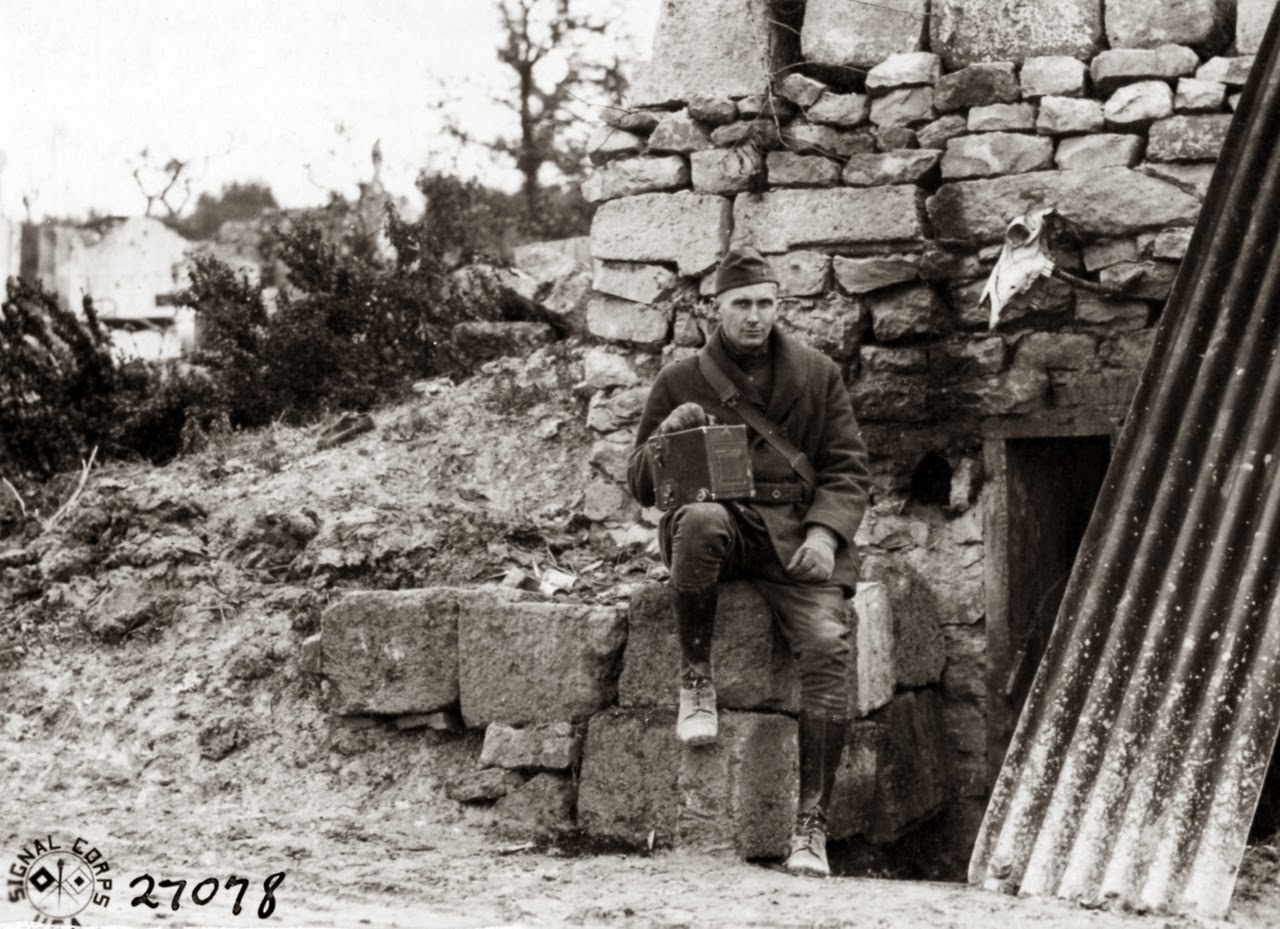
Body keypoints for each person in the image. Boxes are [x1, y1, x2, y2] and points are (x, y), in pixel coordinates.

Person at [626, 245, 873, 877]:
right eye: (741, 304)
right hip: (725, 528)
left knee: (827, 645)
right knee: (699, 520)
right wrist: (666, 437)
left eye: (765, 303)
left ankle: (811, 827)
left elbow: (847, 469)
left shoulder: (817, 373)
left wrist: (825, 536)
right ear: (718, 308)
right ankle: (696, 678)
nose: (755, 316)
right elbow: (641, 487)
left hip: (795, 536)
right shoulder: (681, 379)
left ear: (778, 305)